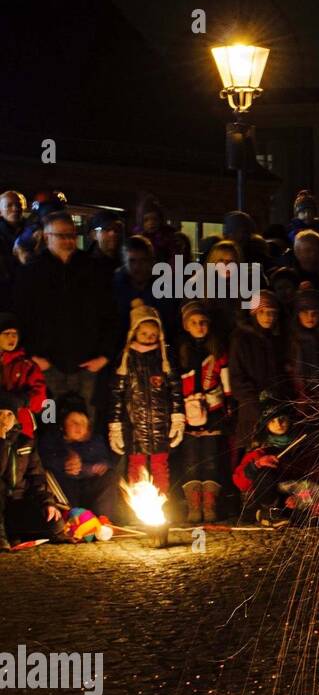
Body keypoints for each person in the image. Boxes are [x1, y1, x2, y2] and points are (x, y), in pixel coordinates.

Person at [11, 212, 117, 430]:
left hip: (88, 362)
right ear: (47, 236)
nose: (68, 240)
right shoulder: (32, 272)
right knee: (49, 422)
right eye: (62, 235)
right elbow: (22, 316)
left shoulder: (93, 269)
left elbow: (110, 314)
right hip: (47, 363)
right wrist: (32, 355)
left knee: (86, 424)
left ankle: (88, 463)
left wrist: (105, 355)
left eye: (71, 235)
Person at [108, 299, 184, 498]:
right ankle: (138, 507)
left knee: (160, 465)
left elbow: (175, 388)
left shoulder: (164, 357)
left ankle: (160, 503)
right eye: (144, 334)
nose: (149, 338)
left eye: (153, 334)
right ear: (134, 332)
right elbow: (117, 394)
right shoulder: (127, 358)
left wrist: (177, 417)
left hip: (160, 424)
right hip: (134, 426)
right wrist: (115, 425)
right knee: (136, 466)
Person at [175, 301, 231, 523]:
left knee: (210, 460)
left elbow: (226, 382)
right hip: (189, 414)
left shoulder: (217, 350)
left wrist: (228, 406)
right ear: (186, 325)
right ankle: (193, 505)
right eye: (194, 323)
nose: (199, 326)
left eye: (203, 322)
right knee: (190, 461)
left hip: (213, 412)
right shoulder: (180, 350)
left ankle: (209, 506)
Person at [233, 395, 319, 526]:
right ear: (266, 425)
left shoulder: (302, 445)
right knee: (265, 472)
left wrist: (302, 499)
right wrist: (257, 465)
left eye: (282, 419)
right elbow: (240, 482)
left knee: (311, 517)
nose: (278, 424)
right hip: (269, 499)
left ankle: (302, 515)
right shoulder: (259, 449)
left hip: (296, 496)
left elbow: (315, 476)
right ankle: (269, 513)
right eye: (272, 421)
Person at [0, 391, 66, 550]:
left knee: (55, 524)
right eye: (0, 413)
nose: (4, 419)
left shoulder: (25, 442)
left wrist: (47, 503)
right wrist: (2, 442)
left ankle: (15, 532)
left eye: (9, 414)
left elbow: (36, 475)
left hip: (17, 501)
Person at [38, 399, 117, 520]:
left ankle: (102, 522)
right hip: (66, 490)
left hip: (88, 489)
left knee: (109, 477)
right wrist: (64, 462)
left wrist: (96, 467)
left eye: (82, 422)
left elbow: (108, 461)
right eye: (73, 422)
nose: (79, 427)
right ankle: (71, 521)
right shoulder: (52, 439)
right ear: (63, 424)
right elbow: (43, 459)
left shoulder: (95, 441)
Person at [228, 290, 285, 450]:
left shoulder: (275, 340)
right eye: (263, 312)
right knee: (253, 456)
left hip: (275, 411)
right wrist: (256, 401)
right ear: (254, 313)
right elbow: (236, 377)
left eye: (272, 313)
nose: (269, 317)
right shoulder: (241, 339)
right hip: (251, 411)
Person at [0, 311, 46, 437]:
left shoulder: (26, 365)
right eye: (6, 333)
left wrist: (21, 400)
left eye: (14, 334)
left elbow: (40, 400)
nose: (12, 338)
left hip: (21, 431)